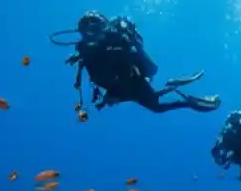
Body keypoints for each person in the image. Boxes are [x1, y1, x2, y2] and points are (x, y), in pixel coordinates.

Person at [64, 11, 220, 115]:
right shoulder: (85, 49)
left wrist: (111, 96)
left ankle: (185, 96)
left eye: (94, 29)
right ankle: (177, 90)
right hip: (118, 89)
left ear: (103, 27)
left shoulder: (117, 43)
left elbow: (126, 75)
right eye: (86, 32)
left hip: (131, 84)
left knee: (157, 106)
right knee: (157, 106)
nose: (91, 35)